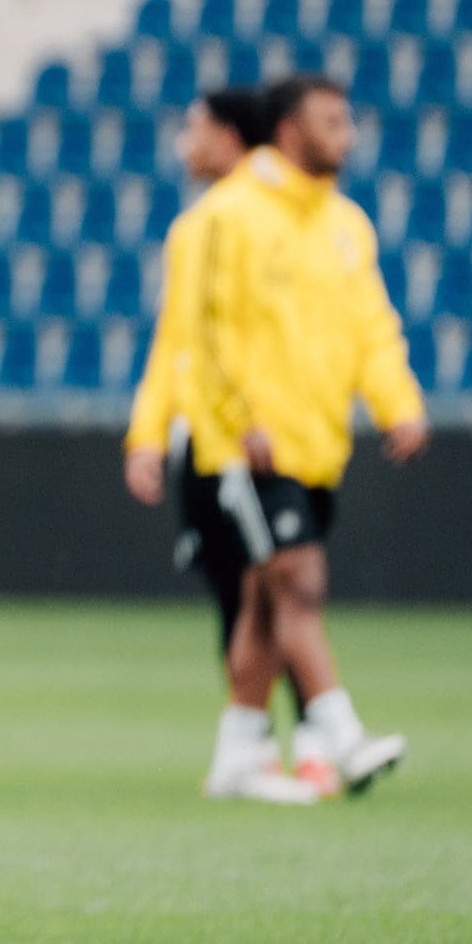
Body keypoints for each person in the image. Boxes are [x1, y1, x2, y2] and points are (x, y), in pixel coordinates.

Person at [186, 73, 425, 804]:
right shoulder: (231, 216)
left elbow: (371, 326)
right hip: (250, 447)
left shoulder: (345, 225)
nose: (346, 135)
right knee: (299, 580)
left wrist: (398, 402)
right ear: (290, 130)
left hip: (319, 446)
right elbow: (204, 331)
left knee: (263, 598)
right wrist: (239, 418)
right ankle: (340, 736)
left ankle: (239, 751)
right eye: (331, 122)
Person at [122, 87, 326, 802]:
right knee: (252, 589)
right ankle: (281, 744)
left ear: (233, 136)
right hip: (226, 437)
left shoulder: (242, 220)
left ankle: (299, 739)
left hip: (242, 439)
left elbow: (223, 342)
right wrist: (149, 433)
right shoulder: (218, 219)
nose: (184, 143)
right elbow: (176, 345)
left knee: (266, 587)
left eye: (196, 127)